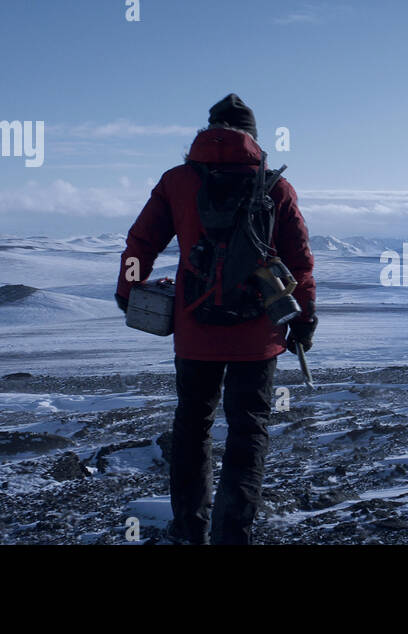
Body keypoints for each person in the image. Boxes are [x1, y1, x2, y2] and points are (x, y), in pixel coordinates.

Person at [115, 94, 316, 545]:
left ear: (208, 130)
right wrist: (304, 317)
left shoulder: (177, 181)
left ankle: (189, 532)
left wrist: (128, 290)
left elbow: (140, 243)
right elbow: (300, 263)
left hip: (194, 329)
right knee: (248, 431)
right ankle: (234, 536)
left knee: (192, 426)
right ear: (253, 137)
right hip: (259, 334)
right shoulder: (275, 187)